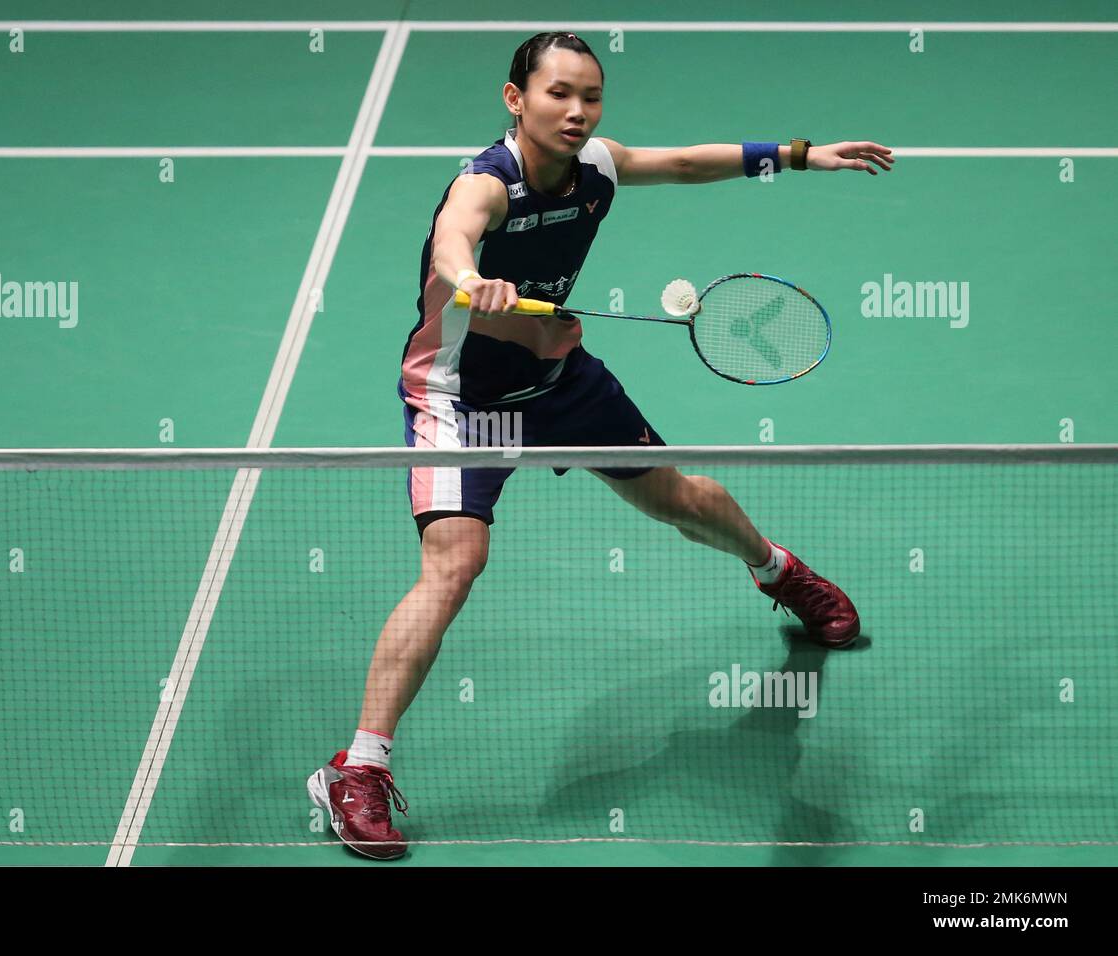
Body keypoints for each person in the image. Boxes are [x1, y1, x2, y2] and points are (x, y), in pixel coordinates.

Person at [307, 31, 893, 860]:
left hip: (560, 383)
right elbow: (452, 238)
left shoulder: (599, 169)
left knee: (685, 500)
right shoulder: (487, 183)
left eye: (591, 95)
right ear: (515, 99)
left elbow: (685, 163)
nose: (577, 111)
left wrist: (799, 154)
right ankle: (356, 769)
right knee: (455, 564)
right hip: (461, 402)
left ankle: (779, 571)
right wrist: (473, 280)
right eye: (558, 94)